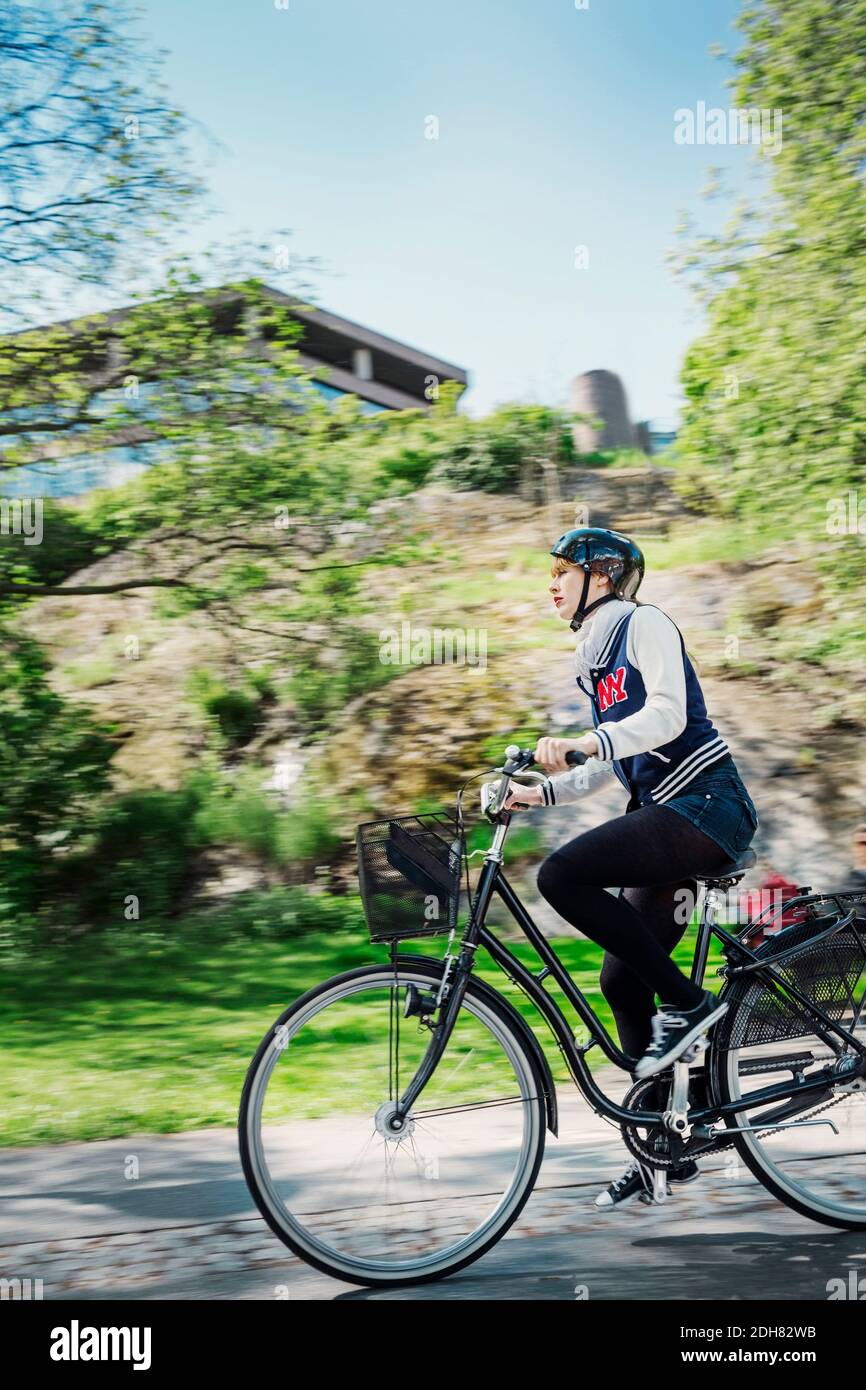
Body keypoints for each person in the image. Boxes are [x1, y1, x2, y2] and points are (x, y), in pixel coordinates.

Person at [504, 526, 759, 1208]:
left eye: (563, 570)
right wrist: (540, 791)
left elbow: (669, 718)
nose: (551, 583)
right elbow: (608, 761)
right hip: (670, 816)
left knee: (560, 876)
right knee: (621, 977)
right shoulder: (595, 660)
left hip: (707, 806)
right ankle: (664, 1148)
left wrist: (585, 740)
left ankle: (691, 1005)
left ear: (606, 577)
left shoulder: (645, 625)